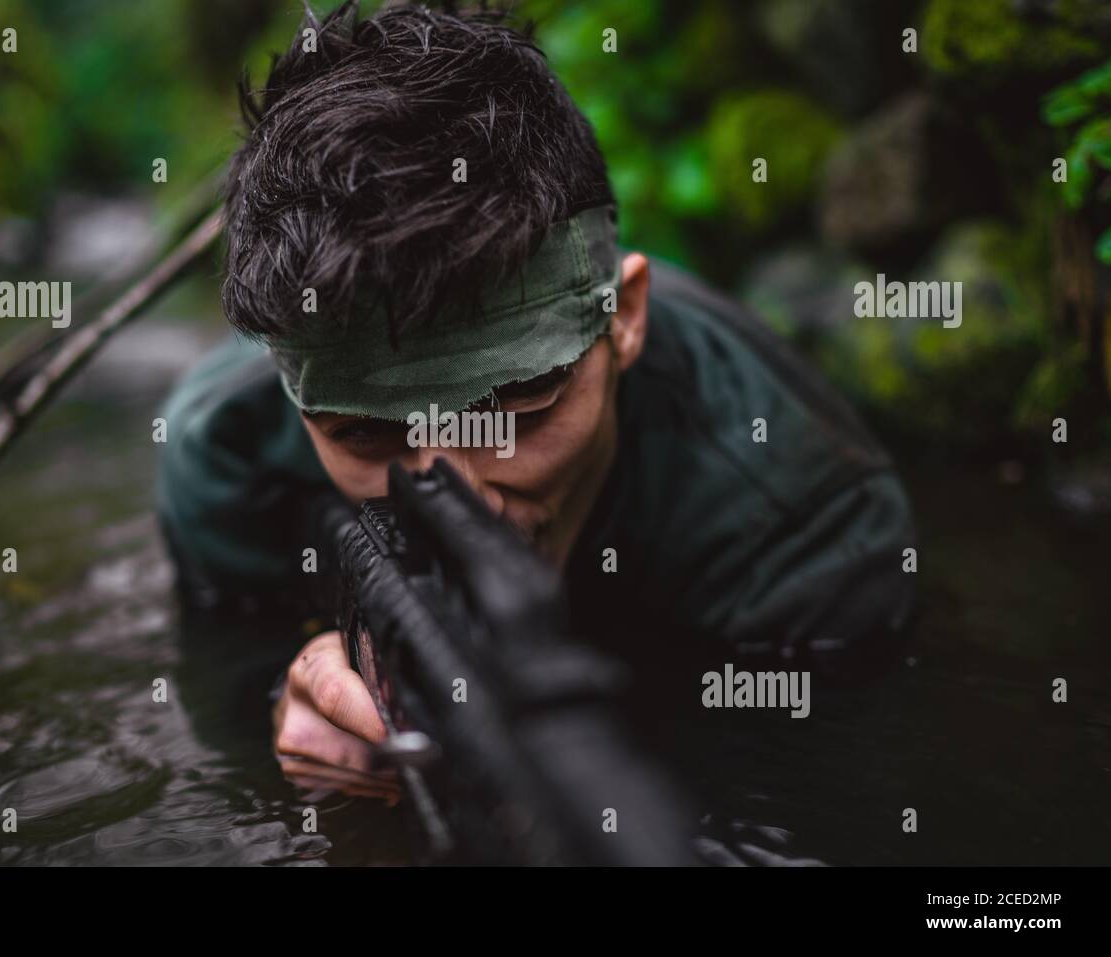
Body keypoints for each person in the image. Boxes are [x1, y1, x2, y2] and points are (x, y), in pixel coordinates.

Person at [156, 2, 915, 799]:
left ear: (624, 320)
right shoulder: (223, 450)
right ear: (289, 391)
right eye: (369, 435)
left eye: (517, 412)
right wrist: (291, 697)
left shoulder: (811, 527)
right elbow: (225, 675)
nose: (465, 494)